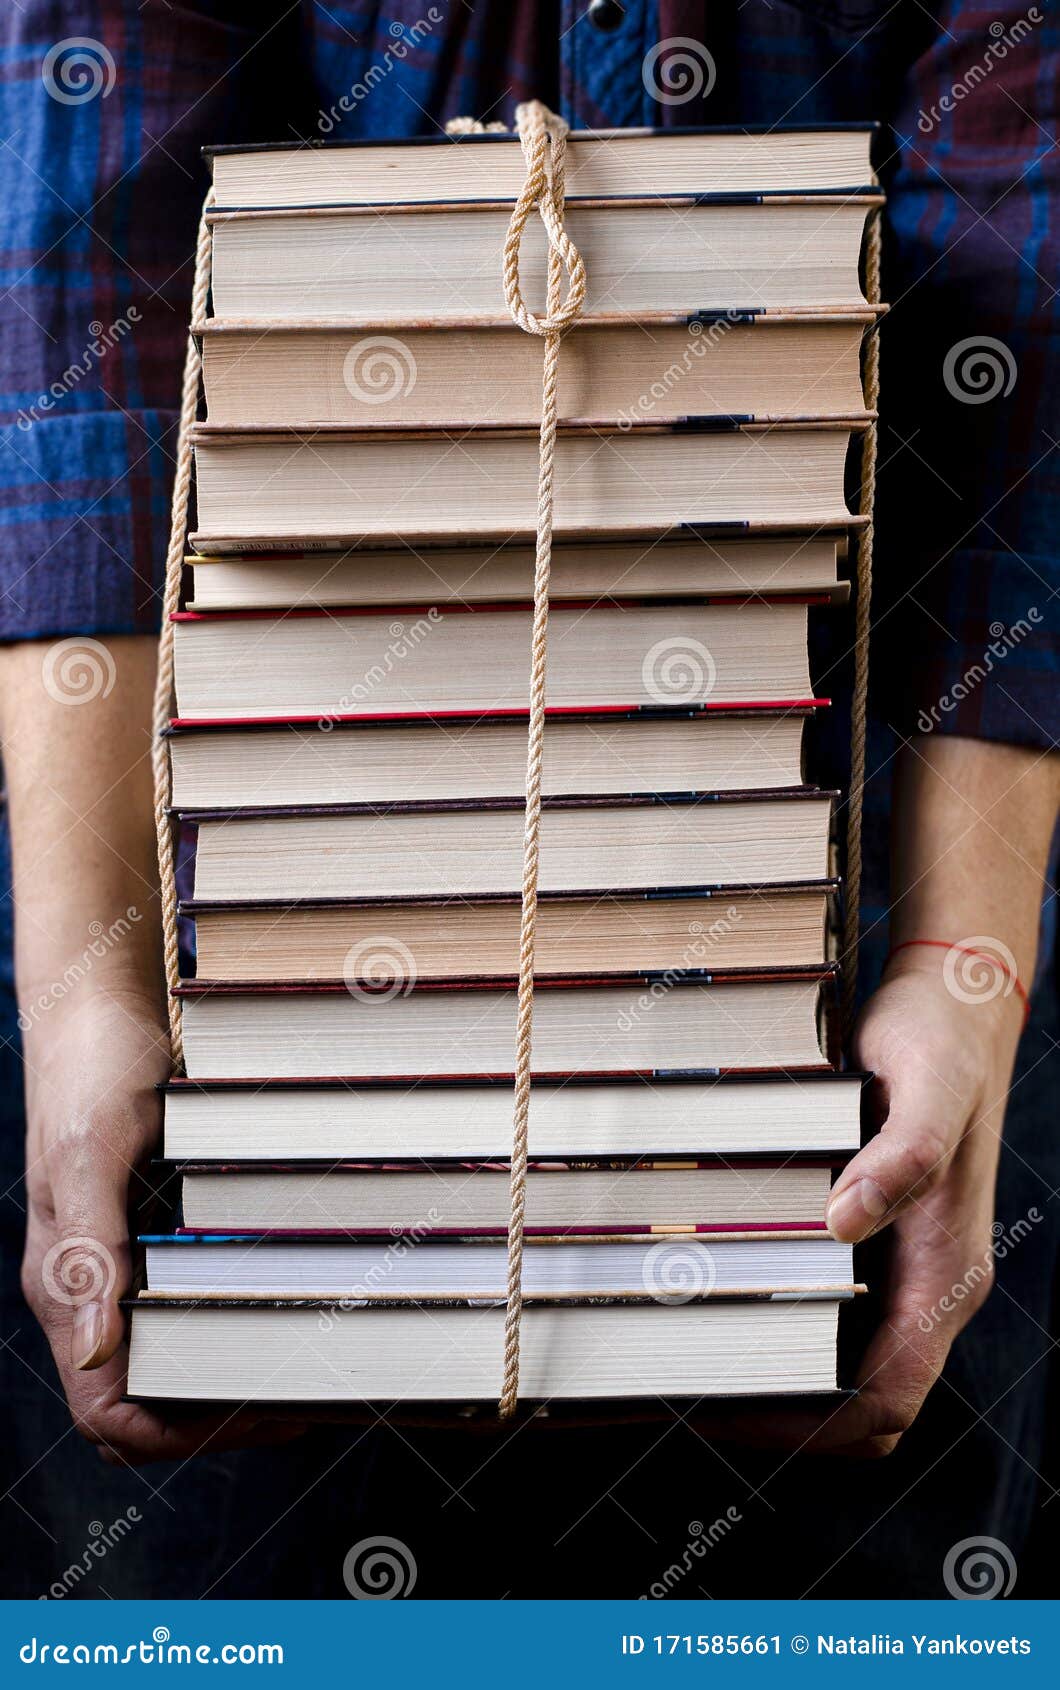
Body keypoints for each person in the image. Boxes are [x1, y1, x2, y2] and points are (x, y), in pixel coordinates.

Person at [1, 1, 1056, 1598]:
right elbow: (84, 257)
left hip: (875, 865)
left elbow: (1026, 254)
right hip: (221, 912)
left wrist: (964, 964)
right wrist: (91, 977)